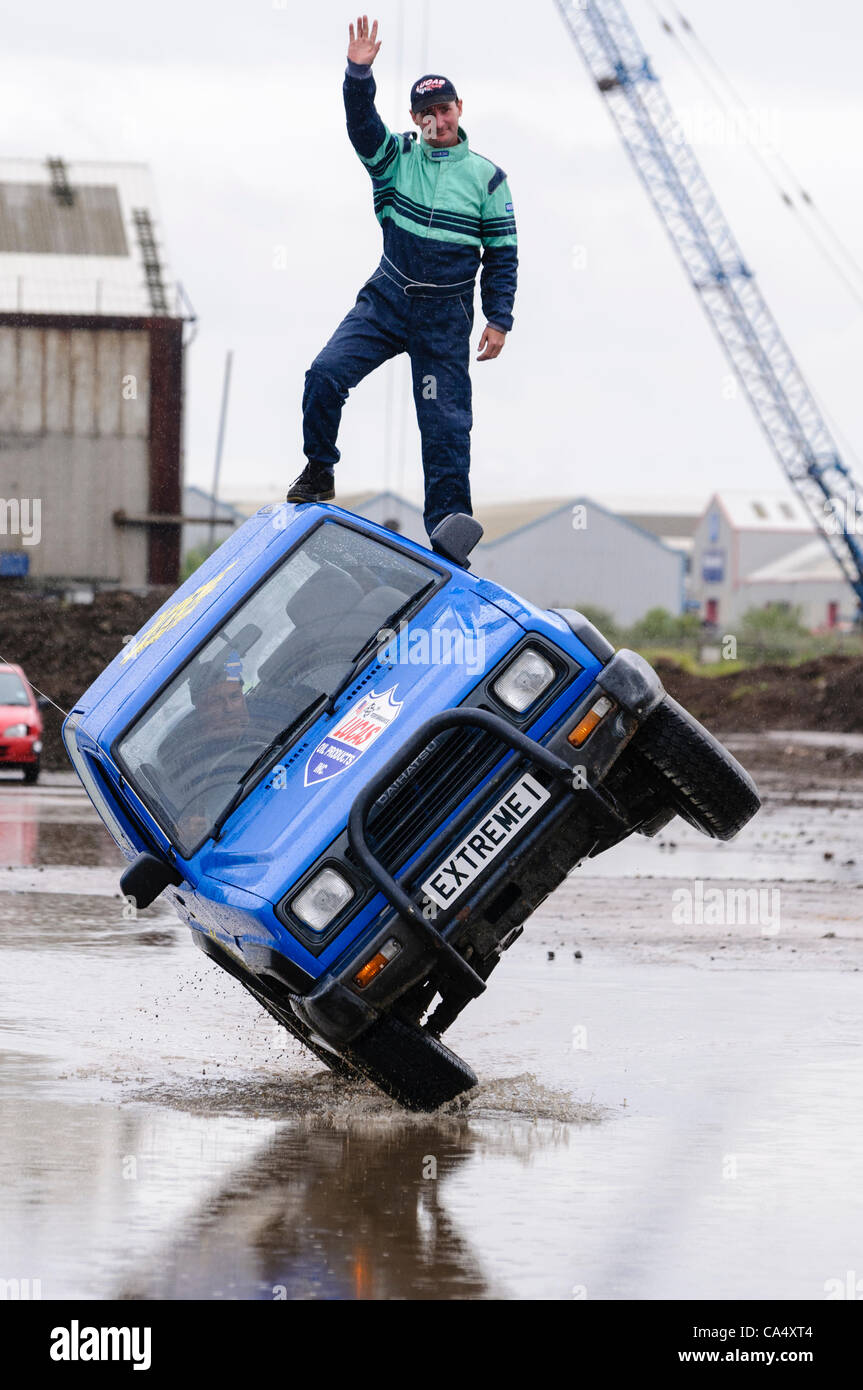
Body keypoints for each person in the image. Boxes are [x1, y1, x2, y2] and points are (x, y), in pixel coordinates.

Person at [288, 14, 518, 540]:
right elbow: (360, 124)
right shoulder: (395, 158)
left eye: (444, 109)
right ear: (415, 119)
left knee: (445, 431)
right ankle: (319, 469)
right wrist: (358, 74)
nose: (437, 119)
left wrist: (498, 319)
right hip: (388, 300)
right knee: (324, 376)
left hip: (445, 317)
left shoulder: (488, 178)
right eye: (426, 113)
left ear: (459, 110)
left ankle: (448, 532)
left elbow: (502, 255)